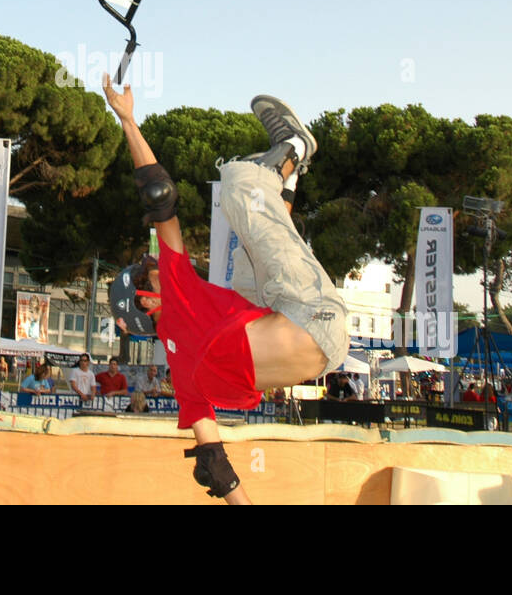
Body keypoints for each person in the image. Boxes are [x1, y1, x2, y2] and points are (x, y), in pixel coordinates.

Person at [103, 78, 349, 504]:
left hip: (306, 336)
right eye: (149, 270)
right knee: (238, 182)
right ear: (147, 298)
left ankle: (283, 186)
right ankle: (294, 147)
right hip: (313, 314)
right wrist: (127, 120)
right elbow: (159, 195)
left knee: (243, 266)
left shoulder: (182, 375)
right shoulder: (176, 295)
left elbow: (213, 464)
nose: (155, 262)